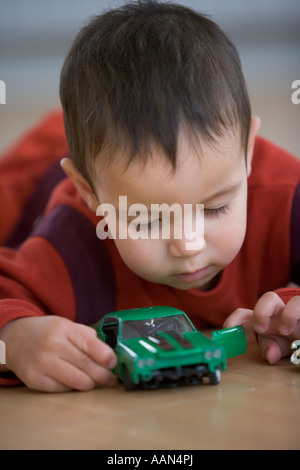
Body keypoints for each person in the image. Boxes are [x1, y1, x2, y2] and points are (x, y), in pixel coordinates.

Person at [0, 0, 299, 392]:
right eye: (147, 219)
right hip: (35, 184)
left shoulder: (285, 193)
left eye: (215, 207)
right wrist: (16, 338)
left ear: (247, 153)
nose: (187, 245)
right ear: (91, 194)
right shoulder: (74, 240)